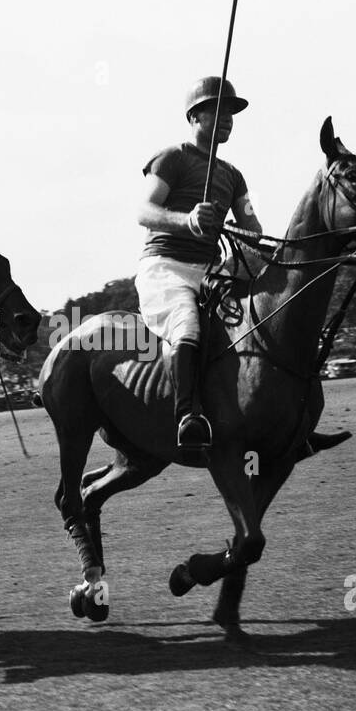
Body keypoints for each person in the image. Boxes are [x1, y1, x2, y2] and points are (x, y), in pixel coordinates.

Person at [136, 77, 263, 450]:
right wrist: (187, 220)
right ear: (195, 115)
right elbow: (144, 211)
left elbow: (251, 226)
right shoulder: (172, 158)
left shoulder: (233, 175)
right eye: (219, 110)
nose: (228, 119)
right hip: (166, 268)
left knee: (257, 322)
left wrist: (252, 241)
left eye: (232, 113)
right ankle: (188, 417)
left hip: (211, 272)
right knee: (188, 326)